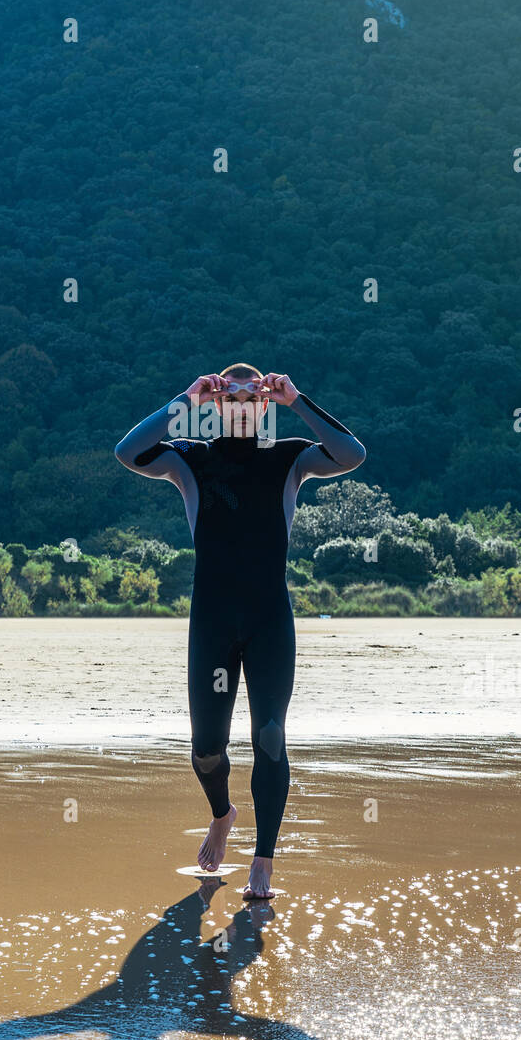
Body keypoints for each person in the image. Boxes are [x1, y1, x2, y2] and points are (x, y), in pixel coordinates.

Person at [114, 364, 366, 899]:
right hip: (212, 621)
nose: (243, 407)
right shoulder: (189, 458)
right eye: (231, 398)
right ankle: (222, 813)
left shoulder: (289, 458)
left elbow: (351, 454)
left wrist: (297, 399)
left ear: (265, 404)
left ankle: (263, 865)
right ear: (218, 404)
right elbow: (127, 452)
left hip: (268, 618)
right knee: (206, 749)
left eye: (254, 398)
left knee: (269, 736)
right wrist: (183, 400)